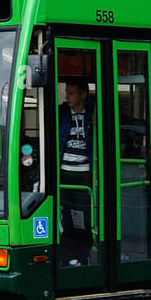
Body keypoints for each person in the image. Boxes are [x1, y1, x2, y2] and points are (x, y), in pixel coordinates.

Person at [58, 77, 95, 267]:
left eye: (71, 93)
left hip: (84, 174)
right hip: (64, 173)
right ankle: (70, 255)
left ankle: (84, 255)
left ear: (83, 95)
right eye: (66, 93)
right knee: (66, 217)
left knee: (85, 218)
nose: (67, 97)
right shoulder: (63, 113)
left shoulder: (92, 114)